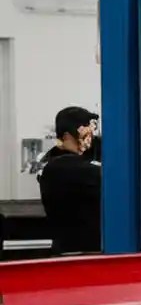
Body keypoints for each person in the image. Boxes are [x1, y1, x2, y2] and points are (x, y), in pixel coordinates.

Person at [37, 106, 102, 255]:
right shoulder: (61, 167)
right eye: (85, 131)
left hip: (76, 251)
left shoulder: (55, 163)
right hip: (78, 254)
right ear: (67, 136)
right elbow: (110, 180)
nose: (90, 137)